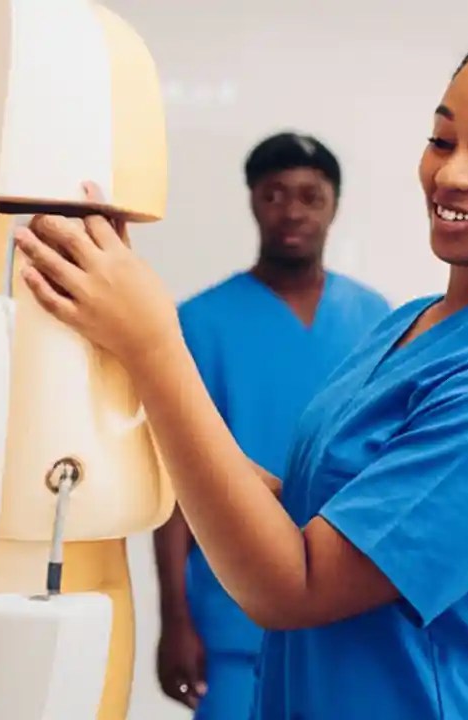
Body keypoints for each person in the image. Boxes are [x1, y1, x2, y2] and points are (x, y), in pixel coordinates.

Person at [13, 21, 468, 719]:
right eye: (441, 140)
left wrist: (155, 346)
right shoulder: (412, 322)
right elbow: (314, 511)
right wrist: (124, 344)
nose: (452, 173)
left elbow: (296, 583)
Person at [153, 132, 392, 718]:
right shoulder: (199, 323)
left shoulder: (376, 319)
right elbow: (177, 484)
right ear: (253, 201)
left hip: (349, 612)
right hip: (234, 619)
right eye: (275, 194)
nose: (292, 211)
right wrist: (175, 618)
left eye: (311, 196)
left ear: (334, 205)